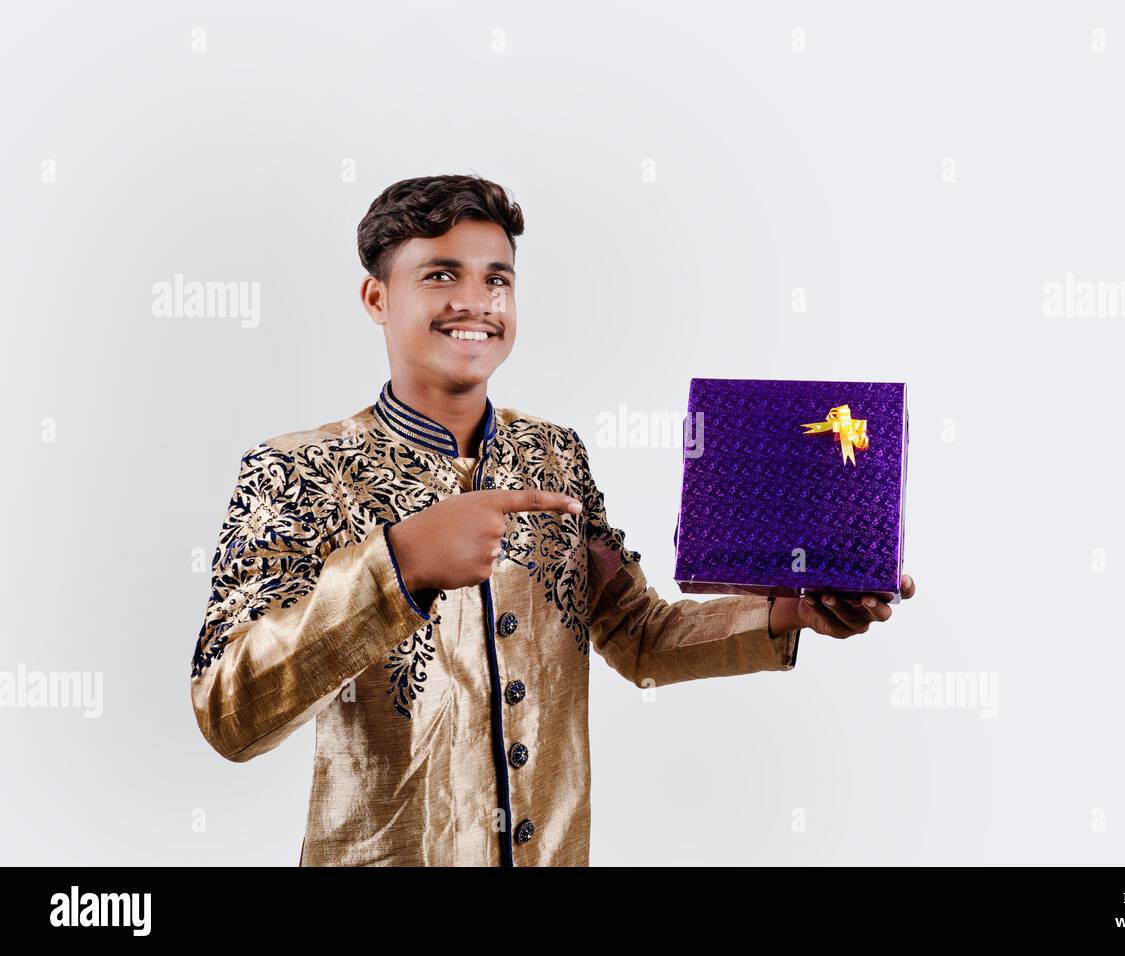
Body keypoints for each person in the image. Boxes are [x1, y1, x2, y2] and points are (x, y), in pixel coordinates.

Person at [189, 173, 917, 866]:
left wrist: (790, 614)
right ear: (377, 296)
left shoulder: (554, 455)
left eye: (496, 279)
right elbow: (229, 713)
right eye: (441, 275)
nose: (475, 301)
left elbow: (638, 636)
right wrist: (397, 564)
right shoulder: (298, 469)